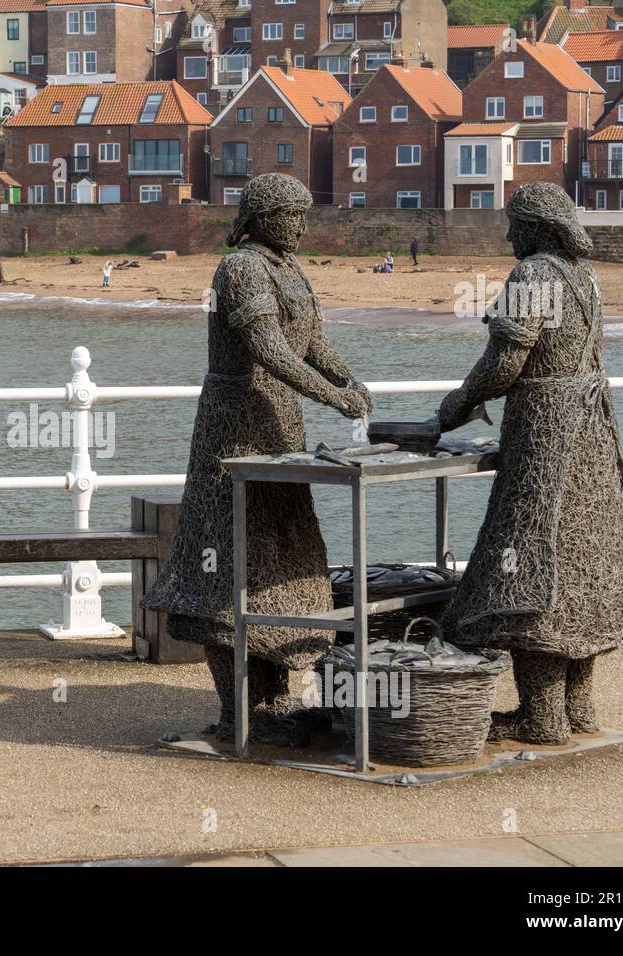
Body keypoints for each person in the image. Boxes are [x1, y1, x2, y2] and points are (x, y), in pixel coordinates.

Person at [436, 182, 623, 745]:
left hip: (545, 440)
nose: (508, 235)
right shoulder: (585, 278)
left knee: (531, 561)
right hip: (592, 434)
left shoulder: (534, 276)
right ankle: (577, 709)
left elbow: (503, 365)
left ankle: (541, 717)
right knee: (581, 564)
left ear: (539, 228)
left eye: (515, 225)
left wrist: (452, 408)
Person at [142, 174, 373, 745]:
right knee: (228, 566)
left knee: (276, 556)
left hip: (279, 422)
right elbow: (266, 347)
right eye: (291, 215)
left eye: (303, 214)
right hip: (235, 424)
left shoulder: (289, 268)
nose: (300, 225)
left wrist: (345, 377)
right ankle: (237, 710)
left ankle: (272, 701)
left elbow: (309, 341)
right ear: (264, 216)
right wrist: (331, 395)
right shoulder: (242, 269)